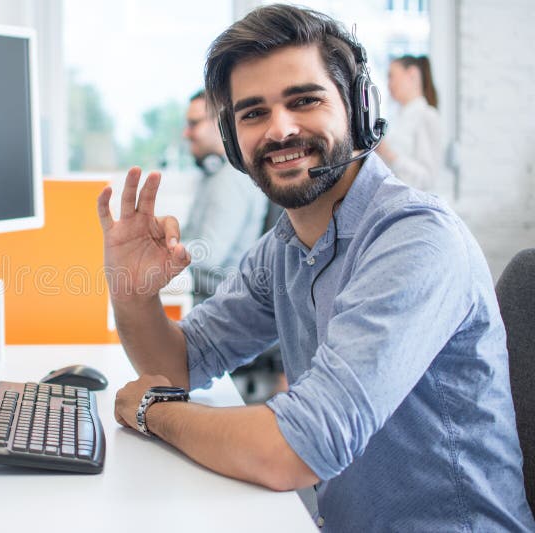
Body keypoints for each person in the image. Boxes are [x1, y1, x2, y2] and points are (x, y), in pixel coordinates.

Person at [96, 5, 535, 531]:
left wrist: (155, 413)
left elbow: (298, 449)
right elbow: (180, 365)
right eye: (253, 113)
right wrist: (131, 292)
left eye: (304, 100)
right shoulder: (284, 246)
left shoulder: (415, 239)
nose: (280, 130)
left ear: (357, 108)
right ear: (233, 139)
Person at [181, 89, 268, 302]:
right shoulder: (211, 175)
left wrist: (160, 250)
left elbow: (210, 254)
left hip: (228, 311)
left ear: (218, 124)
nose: (187, 133)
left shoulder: (231, 179)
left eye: (194, 124)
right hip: (209, 304)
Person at [376, 55, 444, 191]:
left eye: (391, 76)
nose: (388, 84)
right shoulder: (397, 117)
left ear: (412, 74)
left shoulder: (427, 116)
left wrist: (388, 153)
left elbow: (428, 179)